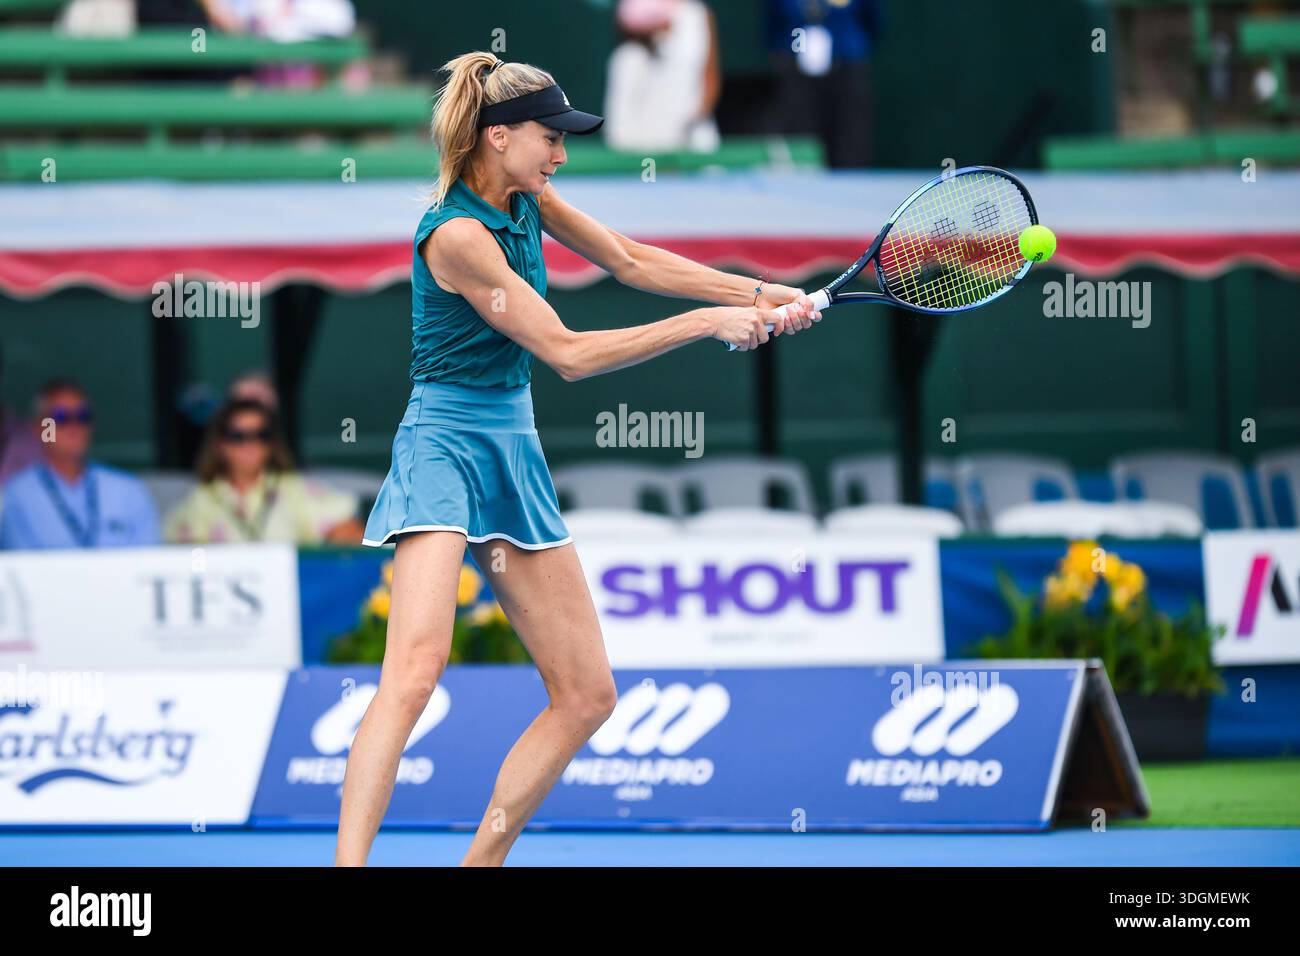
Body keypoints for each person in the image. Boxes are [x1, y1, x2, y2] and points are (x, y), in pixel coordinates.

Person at [334, 50, 821, 868]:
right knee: (417, 670)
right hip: (444, 445)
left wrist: (752, 293)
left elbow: (631, 261)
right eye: (549, 137)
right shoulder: (456, 236)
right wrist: (704, 325)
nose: (561, 152)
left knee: (588, 694)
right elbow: (566, 351)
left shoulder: (533, 196)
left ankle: (478, 864)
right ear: (496, 138)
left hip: (512, 443)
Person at [164, 398, 363, 545]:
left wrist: (342, 535)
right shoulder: (201, 499)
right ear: (219, 444)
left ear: (272, 443)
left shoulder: (295, 489)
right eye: (238, 436)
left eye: (261, 435)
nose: (251, 444)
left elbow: (351, 529)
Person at [0, 380, 160, 550]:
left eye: (83, 416)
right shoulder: (17, 495)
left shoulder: (128, 490)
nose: (74, 426)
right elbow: (20, 570)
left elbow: (148, 565)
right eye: (61, 417)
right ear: (41, 428)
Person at [603, 0, 722, 152]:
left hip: (696, 144)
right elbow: (618, 126)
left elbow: (710, 77)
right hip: (645, 153)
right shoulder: (628, 59)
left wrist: (691, 125)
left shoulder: (697, 13)